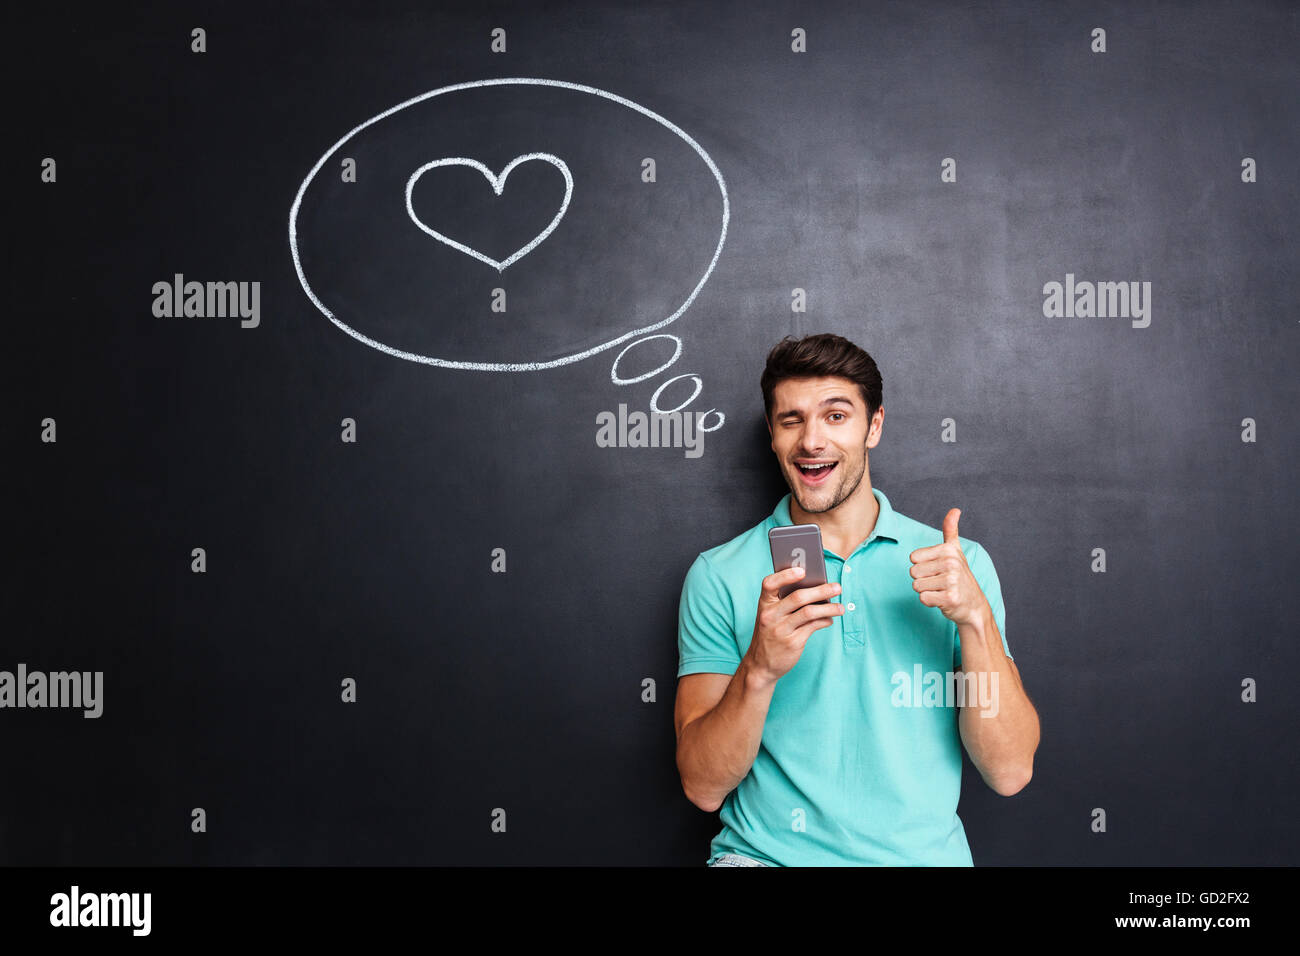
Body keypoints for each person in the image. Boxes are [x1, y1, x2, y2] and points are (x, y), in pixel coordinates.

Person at [674, 333, 1040, 866]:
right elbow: (702, 787)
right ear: (774, 438)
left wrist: (975, 620)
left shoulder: (958, 566)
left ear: (874, 427)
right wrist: (760, 669)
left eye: (836, 416)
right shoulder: (718, 574)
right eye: (791, 420)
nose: (811, 441)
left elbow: (1009, 773)